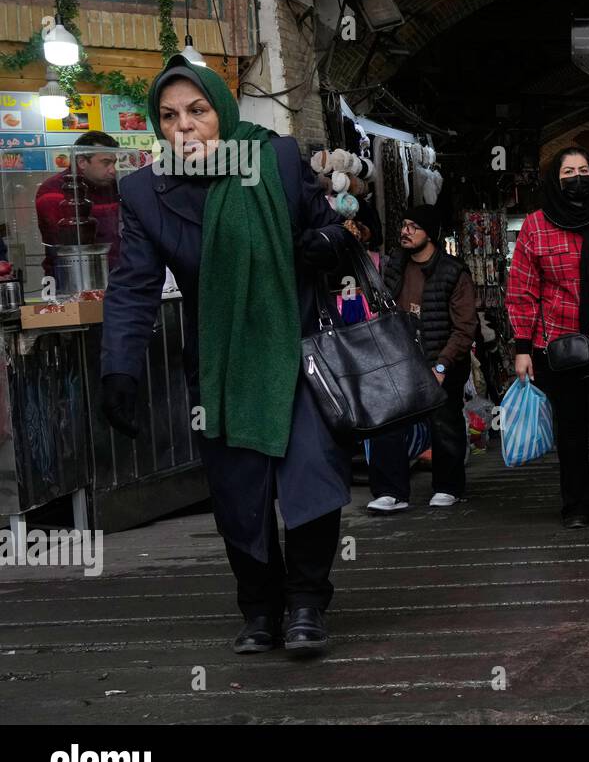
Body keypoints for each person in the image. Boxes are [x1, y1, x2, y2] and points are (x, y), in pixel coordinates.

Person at [100, 54, 352, 655]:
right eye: (168, 116)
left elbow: (337, 233)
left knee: (310, 476)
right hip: (219, 363)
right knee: (239, 492)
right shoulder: (146, 192)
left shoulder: (280, 159)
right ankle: (260, 608)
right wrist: (119, 367)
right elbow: (134, 287)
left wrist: (322, 242)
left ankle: (308, 605)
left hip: (296, 354)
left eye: (197, 111)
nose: (182, 127)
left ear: (223, 110)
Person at [506, 147, 589, 528]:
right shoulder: (536, 225)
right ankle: (576, 504)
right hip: (559, 341)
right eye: (569, 171)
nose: (577, 176)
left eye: (583, 169)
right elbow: (522, 289)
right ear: (556, 178)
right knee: (571, 428)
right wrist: (522, 348)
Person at [366, 205, 478, 512]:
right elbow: (382, 312)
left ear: (430, 233)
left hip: (442, 360)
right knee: (387, 423)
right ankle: (391, 491)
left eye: (413, 226)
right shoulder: (394, 266)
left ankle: (448, 486)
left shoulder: (453, 271)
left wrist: (441, 365)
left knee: (444, 423)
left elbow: (465, 327)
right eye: (403, 225)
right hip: (400, 358)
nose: (405, 231)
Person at [35, 130, 123, 280]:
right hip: (69, 276)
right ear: (82, 162)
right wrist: (122, 207)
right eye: (106, 163)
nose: (112, 170)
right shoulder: (52, 189)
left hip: (115, 275)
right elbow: (75, 223)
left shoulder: (112, 187)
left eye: (114, 163)